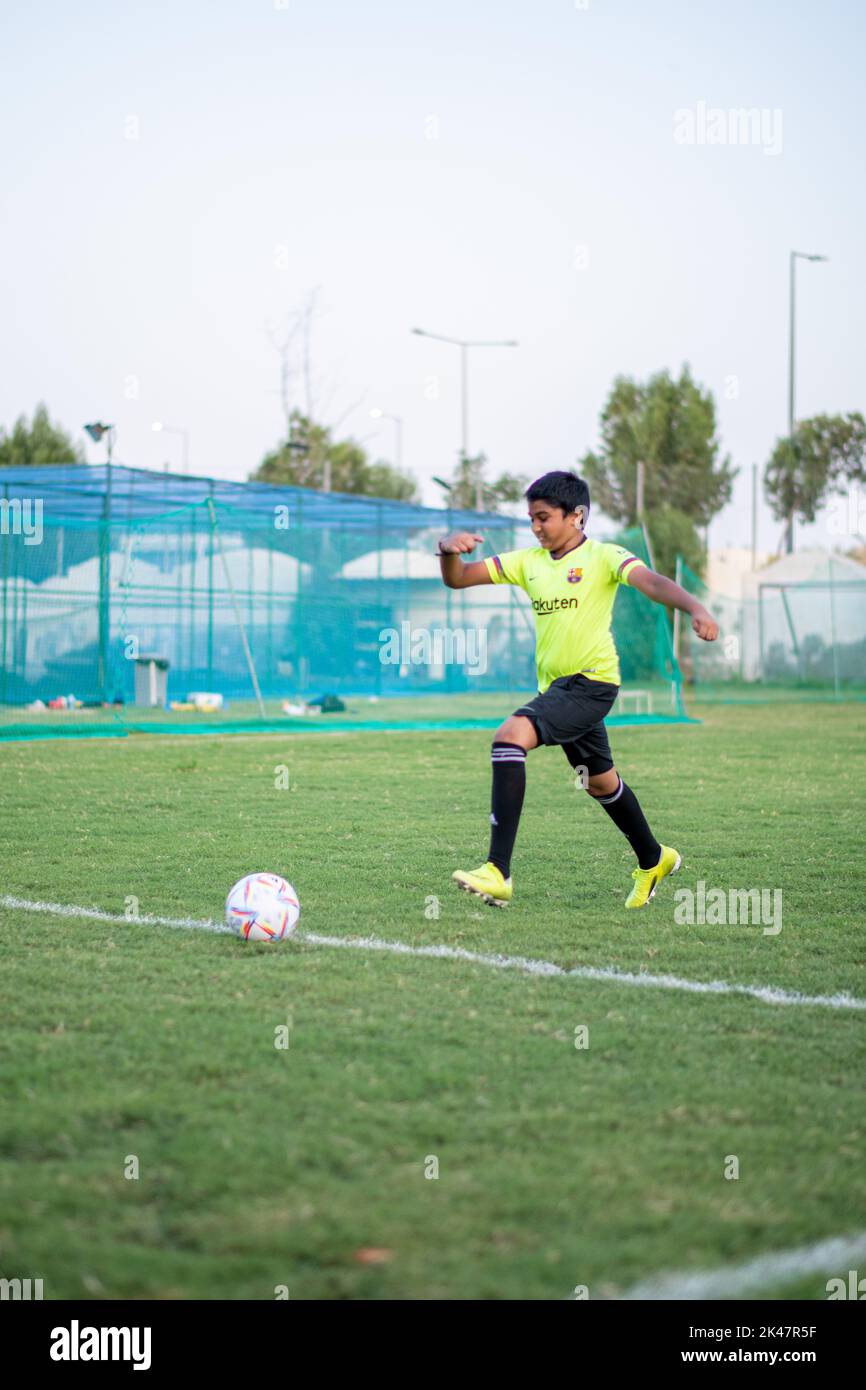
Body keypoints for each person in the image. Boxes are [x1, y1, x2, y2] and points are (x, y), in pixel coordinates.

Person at [437, 470, 719, 909]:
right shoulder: (527, 561)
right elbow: (457, 579)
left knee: (509, 737)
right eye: (531, 518)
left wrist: (696, 607)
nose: (536, 527)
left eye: (544, 517)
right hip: (559, 690)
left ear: (578, 516)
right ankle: (654, 857)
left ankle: (497, 870)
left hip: (592, 683)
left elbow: (653, 583)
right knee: (599, 783)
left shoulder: (605, 557)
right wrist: (446, 552)